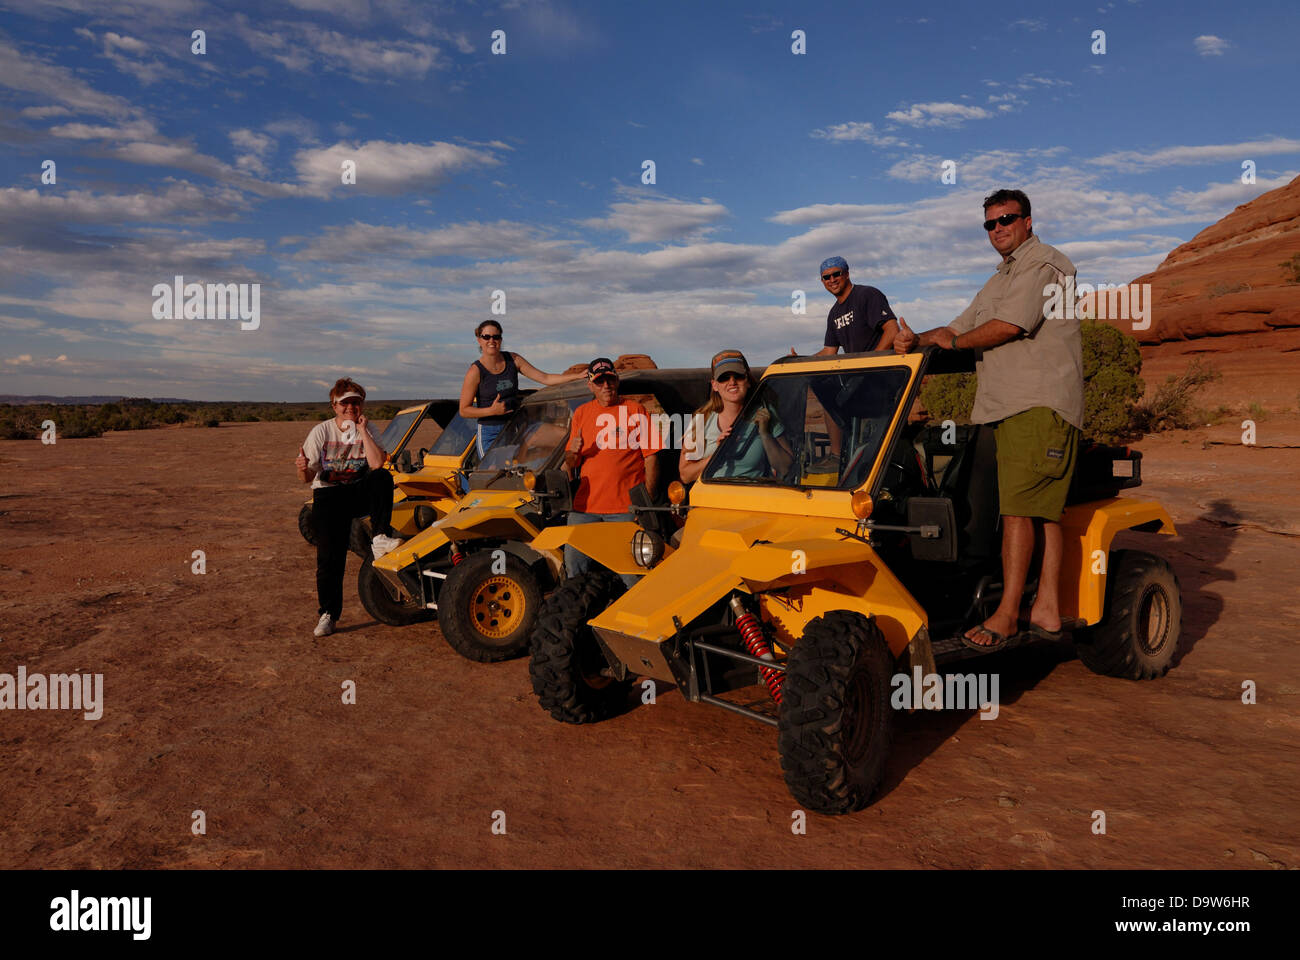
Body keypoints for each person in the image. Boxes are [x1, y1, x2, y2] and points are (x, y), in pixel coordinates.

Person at [894, 188, 1082, 651]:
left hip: (1037, 403)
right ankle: (1046, 609)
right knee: (1040, 510)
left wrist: (955, 346)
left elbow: (1007, 327)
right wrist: (918, 338)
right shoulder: (1002, 278)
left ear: (1028, 221)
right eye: (990, 223)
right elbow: (956, 329)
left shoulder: (1043, 265)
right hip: (1009, 406)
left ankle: (1007, 614)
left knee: (1019, 512)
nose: (998, 228)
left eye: (1007, 219)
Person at [295, 378, 398, 638]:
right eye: (345, 403)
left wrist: (363, 432)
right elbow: (307, 478)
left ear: (362, 405)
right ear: (334, 405)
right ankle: (328, 614)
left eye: (356, 402)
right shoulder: (321, 432)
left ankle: (380, 537)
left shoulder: (370, 427)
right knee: (330, 558)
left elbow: (376, 464)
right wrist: (301, 468)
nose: (350, 407)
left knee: (382, 478)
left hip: (357, 492)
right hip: (329, 496)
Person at [563, 358, 661, 586]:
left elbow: (652, 458)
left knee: (632, 573)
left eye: (609, 380)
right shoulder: (581, 413)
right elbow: (571, 462)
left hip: (625, 509)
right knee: (574, 568)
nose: (606, 386)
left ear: (616, 380)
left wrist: (645, 503)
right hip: (585, 509)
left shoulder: (636, 410)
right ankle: (579, 615)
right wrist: (572, 453)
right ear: (591, 385)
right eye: (599, 382)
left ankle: (637, 616)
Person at [459, 320, 585, 457]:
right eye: (486, 337)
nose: (491, 340)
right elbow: (464, 410)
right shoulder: (475, 371)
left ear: (500, 339)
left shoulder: (513, 359)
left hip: (517, 426)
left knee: (566, 436)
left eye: (496, 337)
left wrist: (576, 377)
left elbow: (545, 378)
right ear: (479, 340)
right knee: (495, 476)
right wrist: (491, 410)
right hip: (491, 432)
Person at [679, 349, 793, 484]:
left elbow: (786, 468)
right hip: (710, 498)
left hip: (752, 498)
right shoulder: (701, 420)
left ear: (748, 381)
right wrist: (718, 454)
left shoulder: (765, 413)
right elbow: (685, 475)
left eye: (738, 376)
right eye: (724, 378)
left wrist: (765, 434)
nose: (732, 382)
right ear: (715, 385)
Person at [791, 256, 901, 356]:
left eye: (836, 274)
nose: (832, 280)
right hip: (860, 374)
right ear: (822, 281)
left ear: (847, 274)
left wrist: (872, 361)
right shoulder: (834, 313)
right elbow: (829, 351)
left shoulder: (867, 295)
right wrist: (800, 362)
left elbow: (892, 330)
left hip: (884, 372)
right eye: (827, 277)